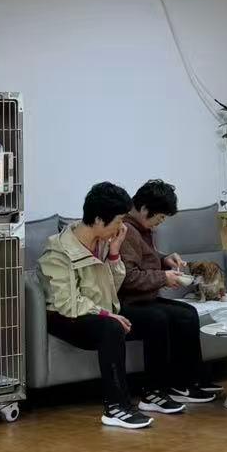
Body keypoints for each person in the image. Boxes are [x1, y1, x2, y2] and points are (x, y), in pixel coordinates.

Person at [38, 182, 150, 429]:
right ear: (99, 219)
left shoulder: (103, 242)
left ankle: (155, 394)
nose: (122, 228)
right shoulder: (58, 251)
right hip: (65, 316)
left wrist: (114, 253)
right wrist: (106, 314)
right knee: (111, 328)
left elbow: (112, 288)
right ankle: (116, 407)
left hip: (97, 310)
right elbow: (68, 303)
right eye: (118, 221)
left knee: (159, 317)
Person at [117, 178, 221, 414]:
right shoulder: (126, 230)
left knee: (187, 313)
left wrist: (164, 259)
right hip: (126, 301)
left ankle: (185, 382)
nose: (159, 224)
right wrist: (164, 278)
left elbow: (144, 258)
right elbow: (127, 277)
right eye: (160, 218)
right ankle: (154, 391)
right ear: (144, 209)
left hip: (141, 298)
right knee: (159, 319)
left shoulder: (141, 228)